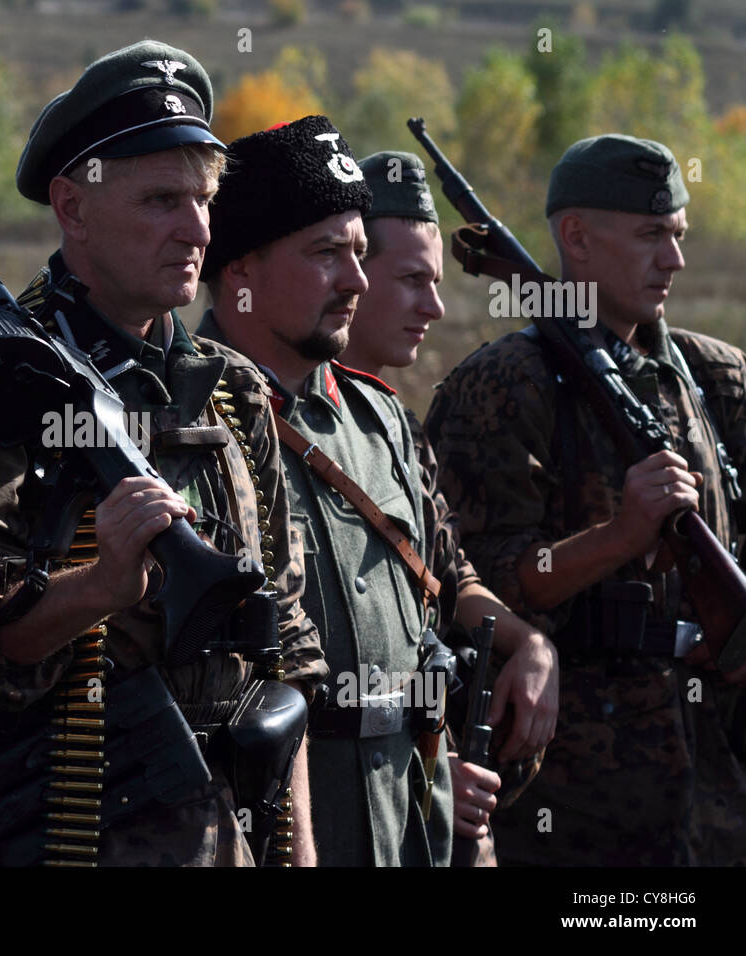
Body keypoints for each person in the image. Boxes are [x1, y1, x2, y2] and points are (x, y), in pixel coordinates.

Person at [0, 40, 324, 866]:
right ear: (72, 208)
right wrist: (97, 588)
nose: (195, 229)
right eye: (161, 200)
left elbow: (285, 640)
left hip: (232, 828)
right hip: (63, 830)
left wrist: (295, 852)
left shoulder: (230, 388)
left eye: (203, 200)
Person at [424, 134, 746, 865]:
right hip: (571, 800)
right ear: (577, 237)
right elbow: (469, 586)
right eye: (652, 236)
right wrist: (619, 535)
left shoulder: (712, 377)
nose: (675, 260)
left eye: (679, 236)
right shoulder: (504, 384)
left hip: (712, 788)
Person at [199, 116, 456, 865]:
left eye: (360, 253)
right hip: (279, 828)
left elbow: (438, 594)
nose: (358, 280)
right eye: (326, 254)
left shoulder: (379, 421)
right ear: (241, 270)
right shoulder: (181, 424)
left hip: (411, 818)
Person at [336, 150, 561, 862]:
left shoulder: (389, 418)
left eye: (435, 283)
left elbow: (447, 568)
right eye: (410, 282)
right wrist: (424, 776)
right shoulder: (262, 414)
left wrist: (526, 641)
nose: (434, 308)